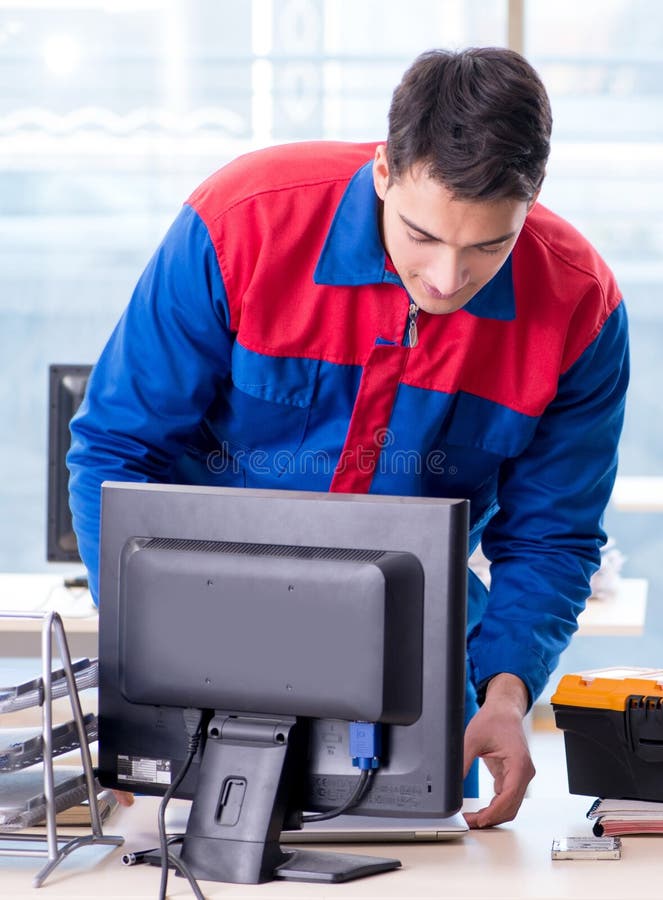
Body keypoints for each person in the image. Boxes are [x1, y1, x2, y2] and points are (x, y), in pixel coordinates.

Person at [67, 47, 629, 827]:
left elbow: (551, 538)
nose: (443, 278)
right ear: (382, 171)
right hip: (198, 647)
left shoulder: (580, 309)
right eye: (422, 235)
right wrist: (142, 656)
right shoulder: (241, 225)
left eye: (486, 249)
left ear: (530, 204)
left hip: (416, 676)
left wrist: (507, 694)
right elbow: (116, 452)